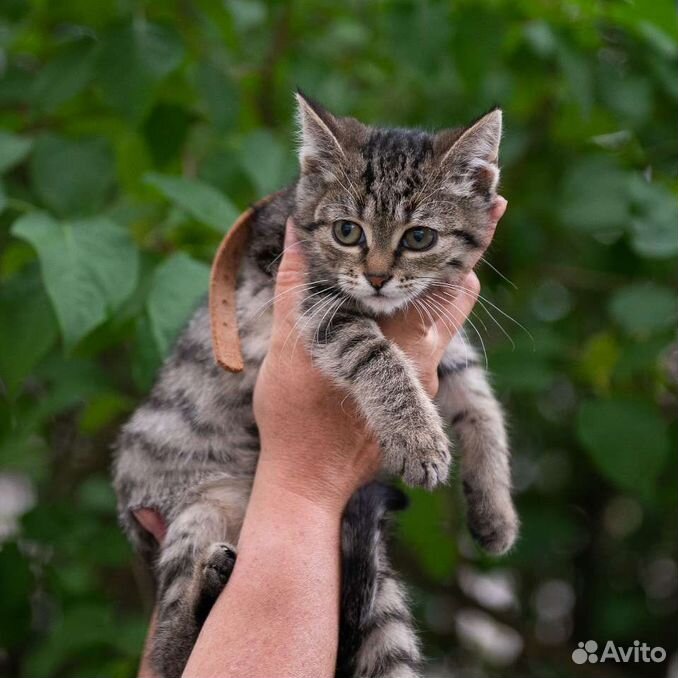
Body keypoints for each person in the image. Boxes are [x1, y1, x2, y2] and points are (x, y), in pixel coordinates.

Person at [135, 199, 507, 678]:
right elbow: (325, 323)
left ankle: (216, 605)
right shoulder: (312, 262)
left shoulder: (412, 281)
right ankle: (185, 629)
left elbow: (459, 372)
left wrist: (486, 463)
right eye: (352, 235)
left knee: (390, 648)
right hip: (203, 466)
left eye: (416, 239)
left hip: (299, 517)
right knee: (205, 522)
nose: (377, 271)